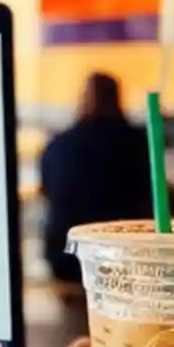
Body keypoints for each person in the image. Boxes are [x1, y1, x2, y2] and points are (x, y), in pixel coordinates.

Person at [40, 72, 152, 284]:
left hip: (65, 258)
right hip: (120, 258)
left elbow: (47, 192)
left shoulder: (59, 144)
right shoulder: (136, 143)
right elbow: (148, 197)